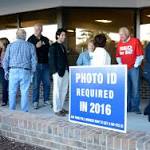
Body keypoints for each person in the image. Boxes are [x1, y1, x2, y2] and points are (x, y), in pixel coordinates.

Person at [3, 29, 37, 112]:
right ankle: (24, 112)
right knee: (24, 92)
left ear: (16, 35)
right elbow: (34, 60)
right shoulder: (30, 46)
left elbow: (5, 60)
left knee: (12, 92)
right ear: (25, 36)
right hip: (25, 71)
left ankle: (12, 111)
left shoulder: (10, 46)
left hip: (13, 71)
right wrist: (32, 72)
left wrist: (6, 71)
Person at [116, 27, 144, 114]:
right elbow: (118, 56)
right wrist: (121, 65)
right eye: (119, 35)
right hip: (124, 69)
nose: (121, 37)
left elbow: (140, 55)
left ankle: (135, 107)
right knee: (126, 89)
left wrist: (135, 65)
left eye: (122, 35)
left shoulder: (135, 41)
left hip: (134, 68)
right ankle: (127, 107)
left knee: (135, 88)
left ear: (127, 34)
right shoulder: (120, 43)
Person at [28, 24, 51, 109]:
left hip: (46, 64)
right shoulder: (30, 39)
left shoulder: (45, 39)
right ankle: (35, 101)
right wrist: (35, 46)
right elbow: (28, 52)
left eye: (40, 29)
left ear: (42, 30)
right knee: (36, 84)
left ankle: (46, 100)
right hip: (36, 65)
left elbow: (49, 49)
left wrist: (49, 44)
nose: (38, 30)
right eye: (36, 29)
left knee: (47, 83)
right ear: (34, 29)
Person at [49, 28, 69, 116]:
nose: (64, 37)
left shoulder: (63, 46)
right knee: (57, 90)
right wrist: (55, 72)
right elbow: (51, 60)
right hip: (57, 72)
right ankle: (56, 109)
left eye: (65, 35)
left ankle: (60, 107)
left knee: (64, 90)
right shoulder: (53, 46)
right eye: (62, 35)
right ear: (58, 36)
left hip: (65, 71)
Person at [0, 38, 9, 106]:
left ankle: (4, 100)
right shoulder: (0, 50)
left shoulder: (8, 51)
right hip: (1, 69)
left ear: (3, 43)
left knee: (4, 85)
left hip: (5, 69)